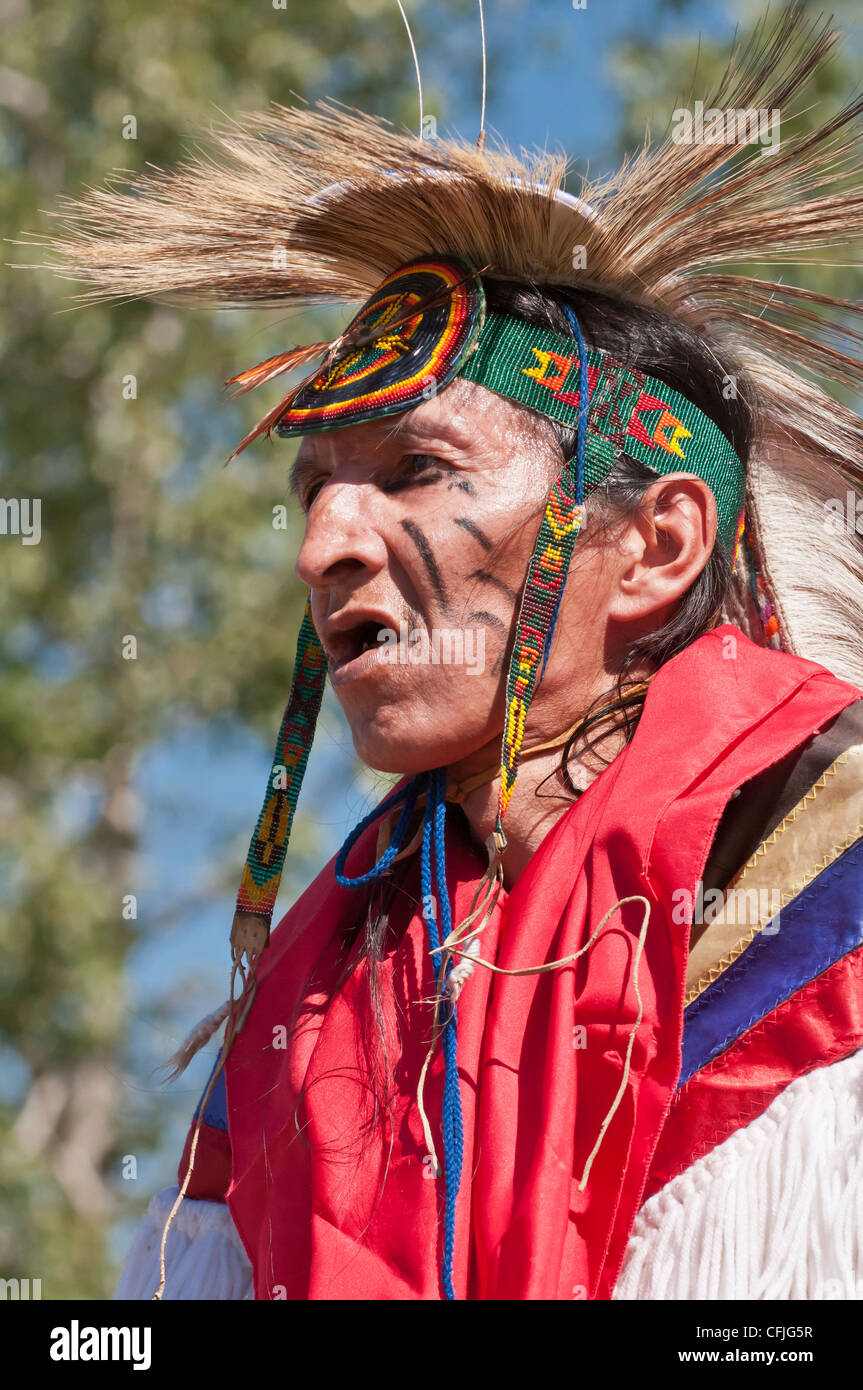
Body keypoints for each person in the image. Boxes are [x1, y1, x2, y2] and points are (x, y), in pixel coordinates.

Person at [36, 8, 863, 1300]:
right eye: (312, 493)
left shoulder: (828, 902)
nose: (323, 546)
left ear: (653, 546)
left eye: (419, 470)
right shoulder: (314, 998)